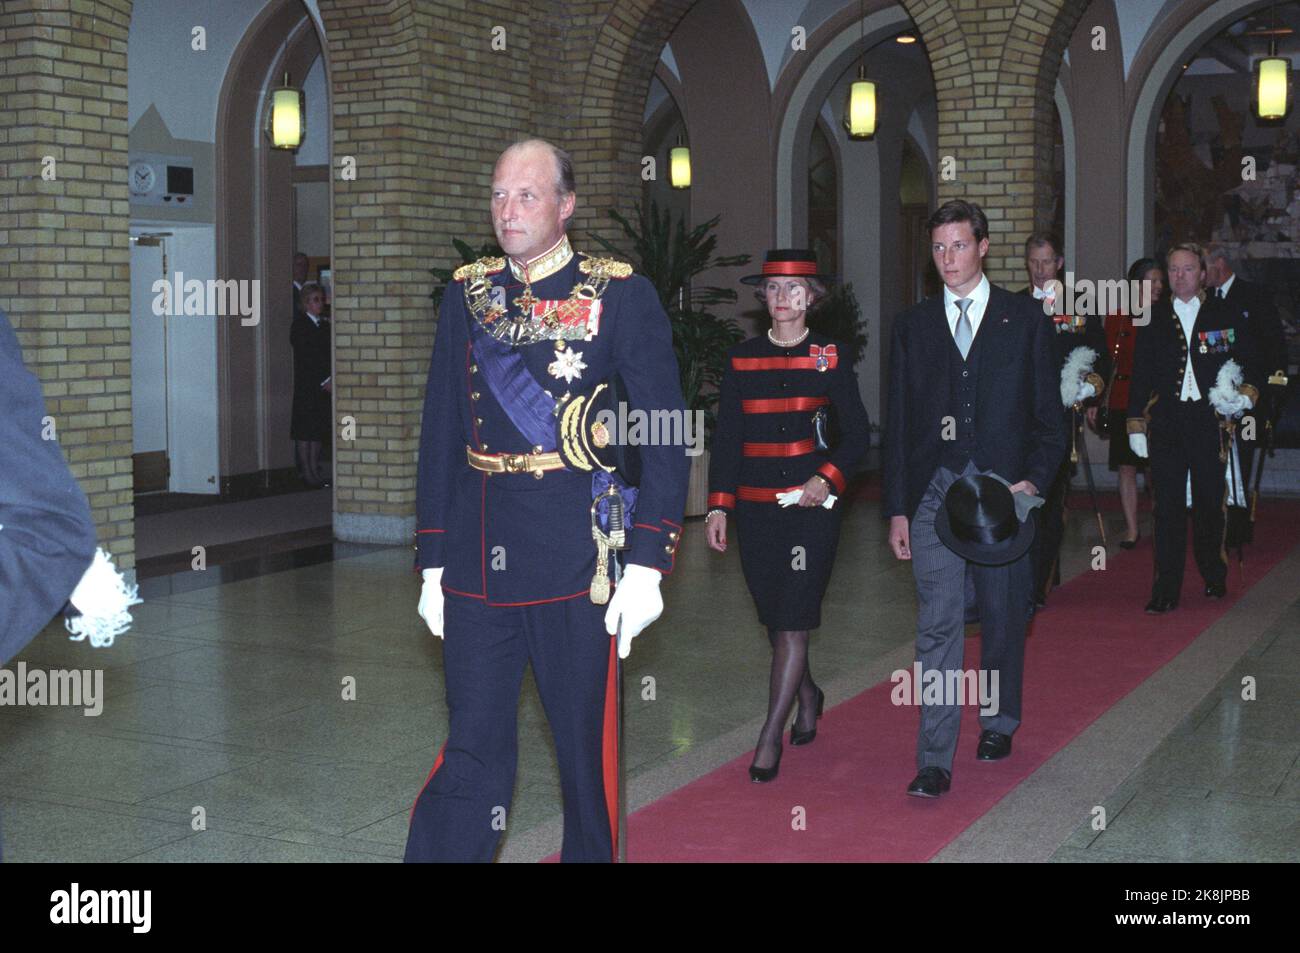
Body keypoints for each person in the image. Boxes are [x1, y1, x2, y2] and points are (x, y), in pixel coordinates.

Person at [406, 139, 690, 863]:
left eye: (526, 195)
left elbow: (663, 430)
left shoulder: (619, 293)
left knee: (582, 763)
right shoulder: (467, 294)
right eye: (499, 195)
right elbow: (441, 427)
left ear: (566, 206)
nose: (508, 210)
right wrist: (434, 559)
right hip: (477, 560)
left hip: (578, 564)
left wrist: (651, 559)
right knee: (471, 749)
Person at [884, 200, 1066, 798]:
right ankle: (934, 757)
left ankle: (999, 718)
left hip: (1003, 492)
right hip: (937, 492)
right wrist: (898, 508)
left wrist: (1033, 483)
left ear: (983, 247)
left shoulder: (1025, 319)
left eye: (959, 246)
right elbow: (902, 425)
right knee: (937, 626)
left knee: (1002, 616)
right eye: (938, 248)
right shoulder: (912, 326)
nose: (948, 259)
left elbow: (1049, 419)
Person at [704, 250, 870, 783]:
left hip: (812, 508)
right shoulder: (741, 358)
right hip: (755, 507)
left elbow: (859, 436)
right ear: (764, 298)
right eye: (774, 289)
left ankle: (769, 734)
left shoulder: (831, 355)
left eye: (794, 289)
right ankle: (808, 693)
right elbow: (728, 438)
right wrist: (719, 505)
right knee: (775, 616)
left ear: (812, 299)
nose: (783, 299)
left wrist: (826, 480)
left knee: (794, 617)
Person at [1126, 243, 1262, 613]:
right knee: (1166, 509)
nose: (1179, 276)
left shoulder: (1224, 311)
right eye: (1173, 270)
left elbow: (1249, 360)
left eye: (1187, 269)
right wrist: (1135, 423)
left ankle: (1214, 575)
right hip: (1167, 424)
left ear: (1202, 273)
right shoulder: (1152, 318)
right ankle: (1165, 589)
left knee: (1208, 504)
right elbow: (1140, 375)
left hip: (1208, 423)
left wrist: (1245, 397)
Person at [1018, 233, 1108, 607]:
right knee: (1023, 503)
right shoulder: (1013, 306)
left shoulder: (1080, 304)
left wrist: (1090, 389)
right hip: (1019, 422)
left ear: (1059, 263)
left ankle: (1039, 584)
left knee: (1051, 503)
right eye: (1034, 262)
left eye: (1047, 262)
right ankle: (1025, 576)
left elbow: (1099, 353)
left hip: (1059, 422)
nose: (1040, 270)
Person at [1204, 244, 1288, 491]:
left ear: (1219, 264)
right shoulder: (1203, 300)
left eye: (1203, 266)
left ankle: (1238, 516)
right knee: (1213, 460)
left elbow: (1275, 347)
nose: (1199, 273)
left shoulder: (1255, 296)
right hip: (1213, 400)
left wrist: (1276, 392)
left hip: (1249, 402)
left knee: (1244, 453)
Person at [1101, 258, 1163, 548]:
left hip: (1156, 400)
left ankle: (1162, 517)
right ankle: (1131, 528)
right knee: (1127, 466)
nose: (1159, 287)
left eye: (1161, 281)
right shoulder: (1119, 317)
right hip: (1124, 398)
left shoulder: (1166, 316)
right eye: (1153, 281)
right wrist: (1097, 399)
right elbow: (1108, 361)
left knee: (1155, 465)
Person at [290, 282, 332, 488]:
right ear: (306, 303)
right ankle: (306, 471)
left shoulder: (324, 325)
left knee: (317, 430)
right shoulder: (299, 326)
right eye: (315, 300)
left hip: (324, 384)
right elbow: (308, 357)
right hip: (307, 384)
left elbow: (327, 355)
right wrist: (323, 380)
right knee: (305, 431)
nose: (320, 303)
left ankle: (315, 469)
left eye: (321, 299)